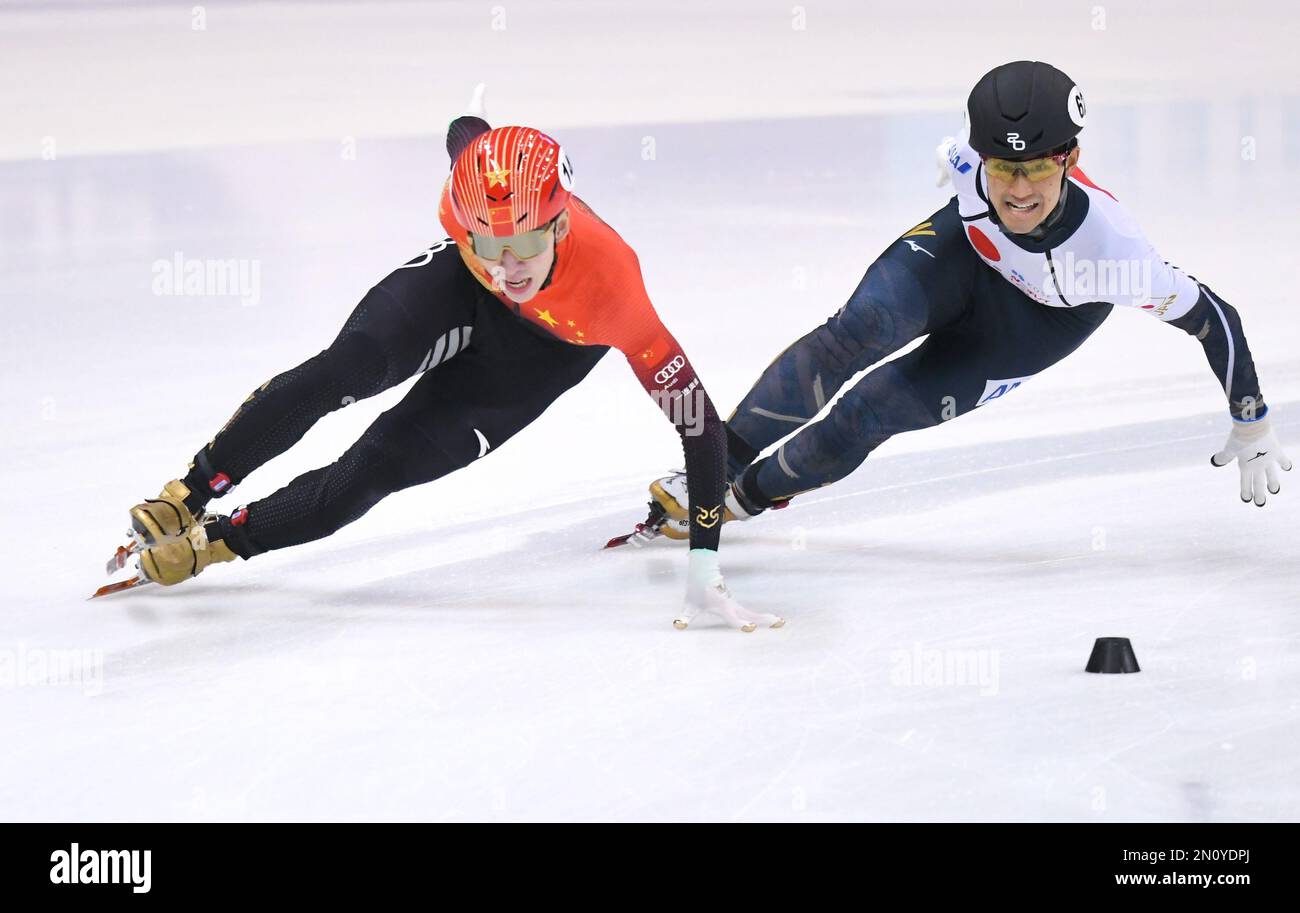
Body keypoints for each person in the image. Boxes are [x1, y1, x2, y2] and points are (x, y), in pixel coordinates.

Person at [116, 101, 783, 632]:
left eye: (525, 242)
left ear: (557, 227)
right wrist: (480, 194)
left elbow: (700, 430)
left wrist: (704, 563)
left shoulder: (616, 291)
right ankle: (189, 494)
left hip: (541, 358)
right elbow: (467, 131)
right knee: (343, 369)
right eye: (488, 241)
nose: (508, 265)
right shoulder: (478, 206)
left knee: (374, 467)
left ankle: (219, 543)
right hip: (456, 293)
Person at [646, 60, 1288, 535]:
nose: (1018, 189)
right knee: (858, 329)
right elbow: (967, 165)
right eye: (1003, 168)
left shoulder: (1114, 252)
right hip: (963, 259)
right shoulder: (966, 162)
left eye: (1037, 166)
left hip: (1032, 329)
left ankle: (736, 503)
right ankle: (712, 470)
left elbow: (1215, 319)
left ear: (1070, 158)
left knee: (870, 413)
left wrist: (1251, 414)